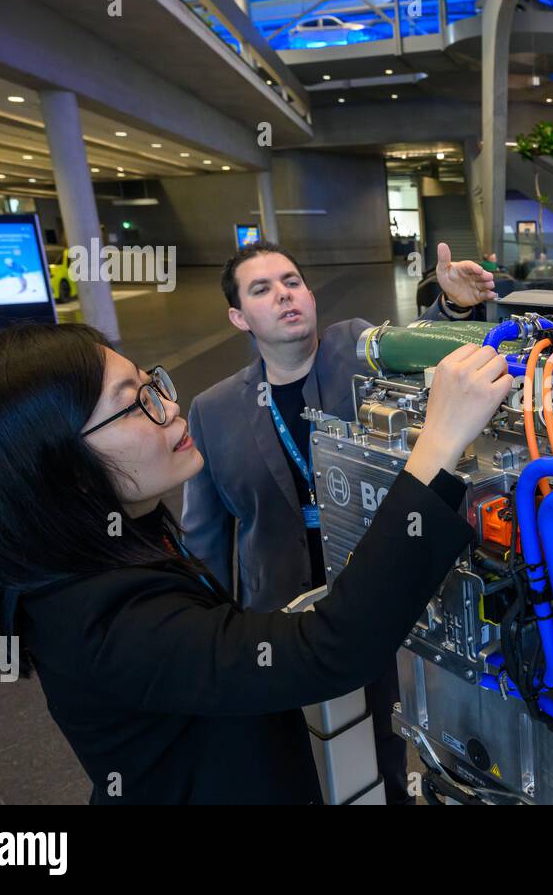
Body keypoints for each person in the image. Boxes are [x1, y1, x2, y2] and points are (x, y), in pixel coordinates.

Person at [0, 323, 510, 803]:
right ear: (56, 468)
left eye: (151, 384)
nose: (169, 407)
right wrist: (438, 443)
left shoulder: (113, 546)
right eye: (135, 405)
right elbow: (331, 650)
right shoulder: (100, 616)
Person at [181, 239, 494, 804]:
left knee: (385, 735)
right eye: (262, 289)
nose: (284, 295)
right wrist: (206, 644)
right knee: (288, 753)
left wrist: (451, 309)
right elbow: (204, 539)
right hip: (275, 612)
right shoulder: (213, 409)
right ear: (238, 317)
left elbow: (414, 349)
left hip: (372, 592)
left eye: (292, 281)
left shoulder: (353, 348)